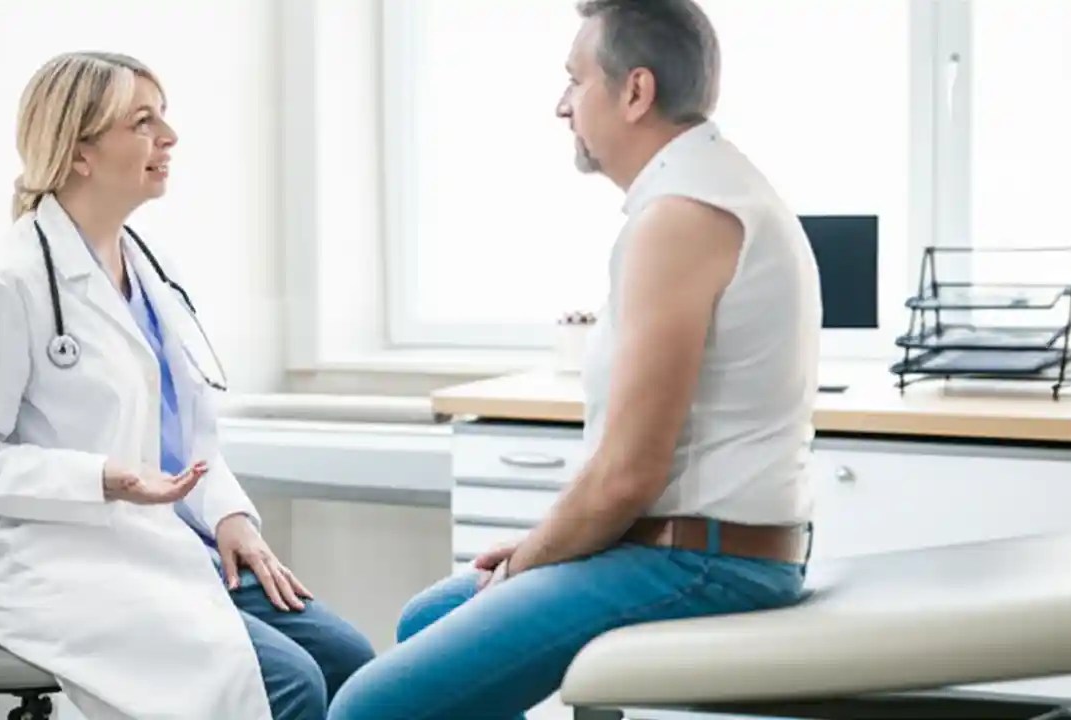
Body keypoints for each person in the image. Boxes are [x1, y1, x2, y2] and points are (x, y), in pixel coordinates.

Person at [327, 1, 822, 718]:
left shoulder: (685, 213)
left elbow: (628, 476)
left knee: (364, 710)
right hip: (685, 545)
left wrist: (530, 559)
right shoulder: (705, 190)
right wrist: (538, 547)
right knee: (428, 620)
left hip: (705, 563)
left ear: (635, 92)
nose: (562, 105)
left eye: (576, 80)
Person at [0, 51, 373, 720]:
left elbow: (188, 437)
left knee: (351, 665)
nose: (168, 137)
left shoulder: (146, 270)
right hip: (62, 561)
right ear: (81, 153)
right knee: (289, 686)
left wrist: (229, 515)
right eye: (143, 121)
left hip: (168, 542)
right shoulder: (6, 283)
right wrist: (105, 476)